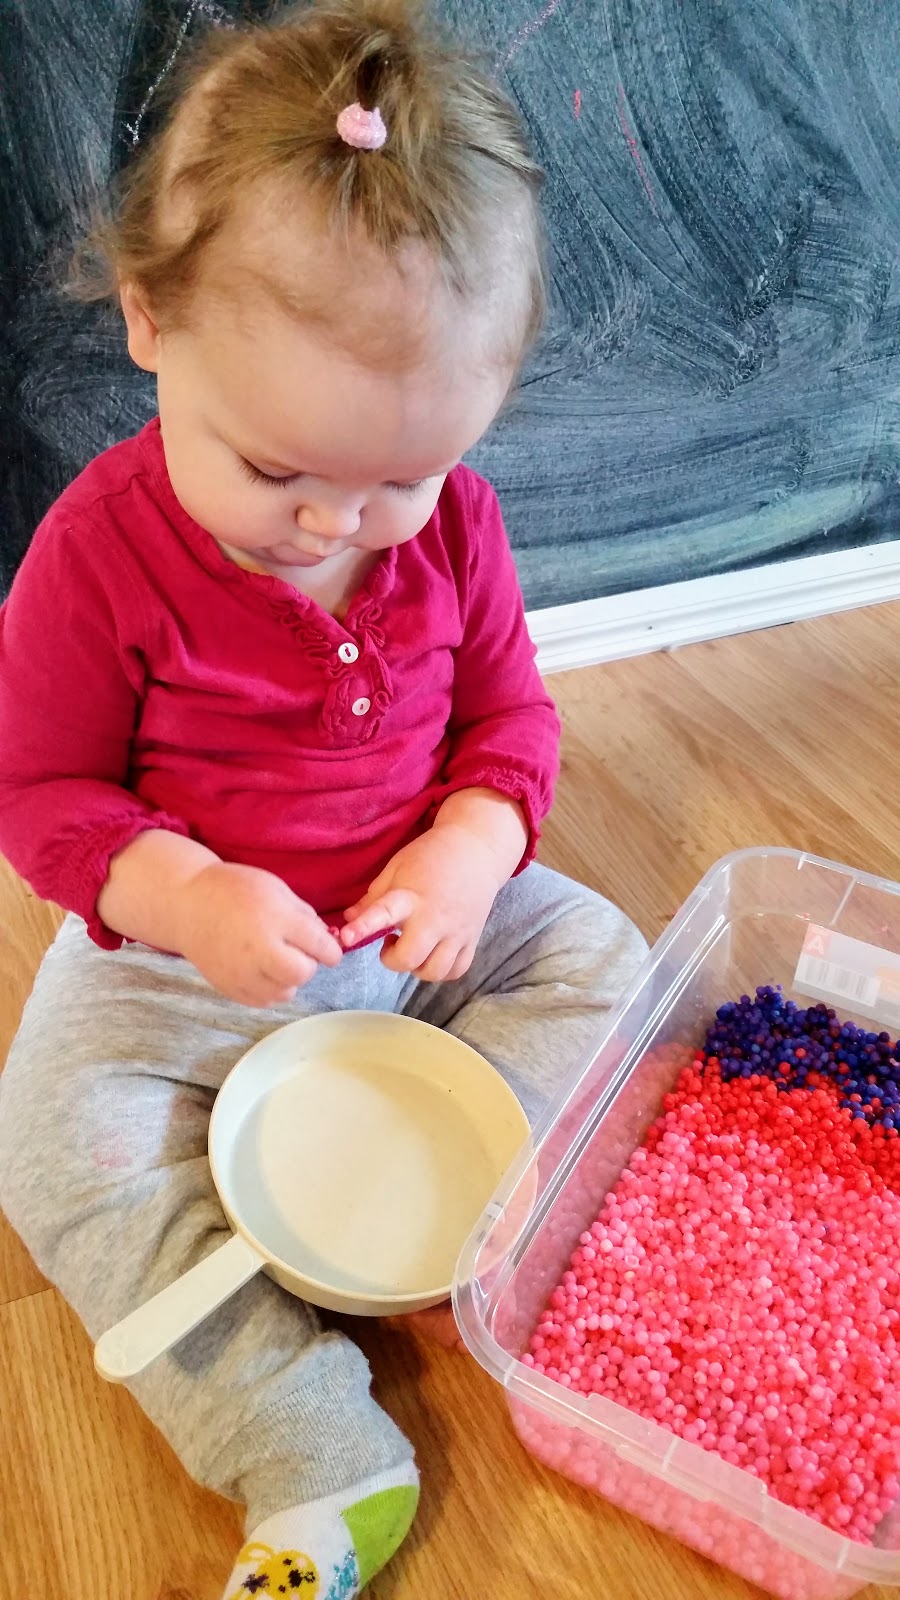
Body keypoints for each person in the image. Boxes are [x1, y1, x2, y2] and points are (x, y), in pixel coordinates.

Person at [0, 3, 646, 1595]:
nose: (334, 524)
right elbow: (39, 788)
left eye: (398, 480)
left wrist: (473, 842)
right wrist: (178, 890)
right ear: (150, 321)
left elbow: (508, 717)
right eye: (278, 471)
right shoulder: (98, 553)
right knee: (50, 1150)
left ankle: (453, 1226)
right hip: (184, 954)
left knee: (610, 960)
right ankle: (312, 1453)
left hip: (419, 935)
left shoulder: (457, 526)